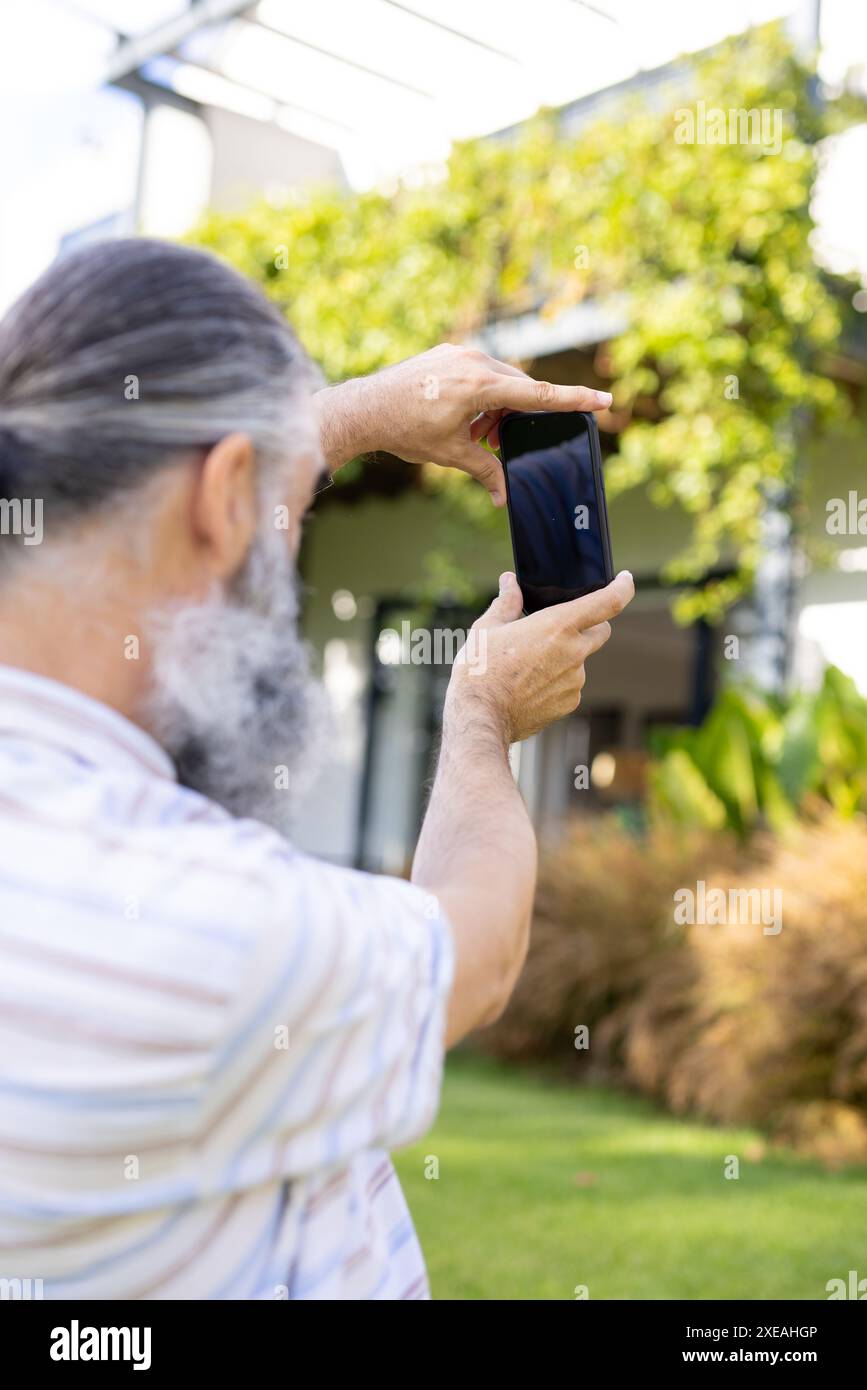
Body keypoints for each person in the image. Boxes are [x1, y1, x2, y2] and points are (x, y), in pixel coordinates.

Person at [0, 239, 633, 1300]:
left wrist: (344, 417)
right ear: (225, 494)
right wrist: (481, 716)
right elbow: (472, 948)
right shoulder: (195, 925)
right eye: (287, 509)